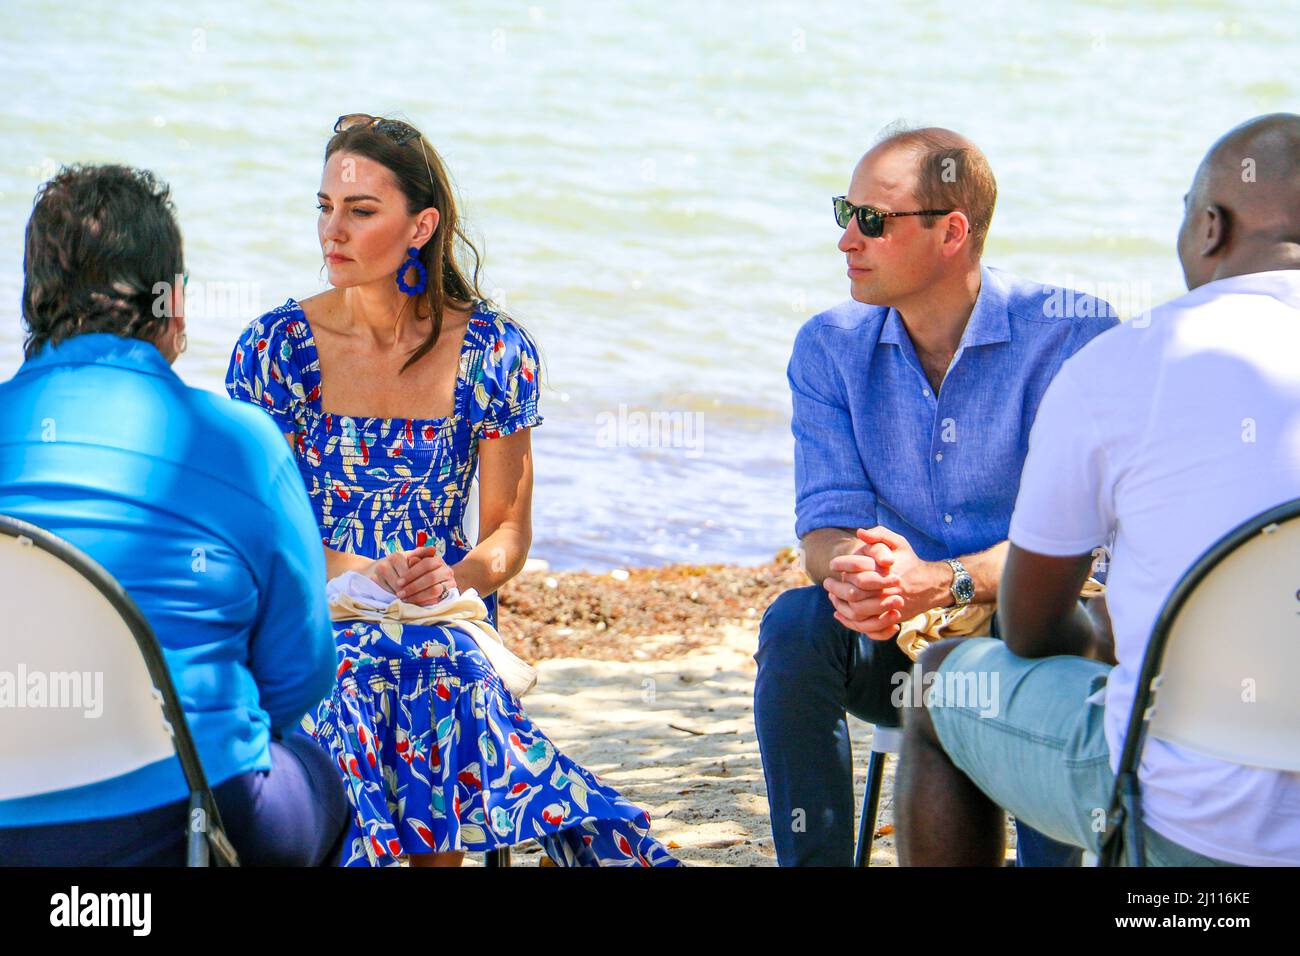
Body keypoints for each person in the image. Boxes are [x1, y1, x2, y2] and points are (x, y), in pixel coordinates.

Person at [225, 114, 678, 867]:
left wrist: (451, 575)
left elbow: (507, 536)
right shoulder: (276, 350)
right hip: (315, 604)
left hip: (441, 611)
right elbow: (260, 535)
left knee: (435, 664)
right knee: (355, 672)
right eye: (325, 207)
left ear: (421, 226)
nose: (332, 231)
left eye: (361, 211)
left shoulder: (494, 351)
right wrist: (358, 570)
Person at [897, 113, 1300, 867]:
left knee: (938, 685)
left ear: (1211, 226)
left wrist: (1105, 647)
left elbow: (1027, 629)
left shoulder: (1124, 365)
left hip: (1190, 824)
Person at [755, 126, 1119, 866]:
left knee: (1074, 632)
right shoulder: (827, 345)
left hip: (1034, 636)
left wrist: (943, 580)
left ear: (953, 232)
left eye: (874, 220)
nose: (847, 240)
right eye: (844, 212)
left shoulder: (1072, 336)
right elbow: (825, 523)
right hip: (898, 649)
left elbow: (1093, 539)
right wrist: (864, 574)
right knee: (796, 625)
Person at [0, 164, 348, 866]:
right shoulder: (240, 444)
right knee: (323, 780)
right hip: (181, 821)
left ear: (32, 300)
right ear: (175, 303)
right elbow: (301, 675)